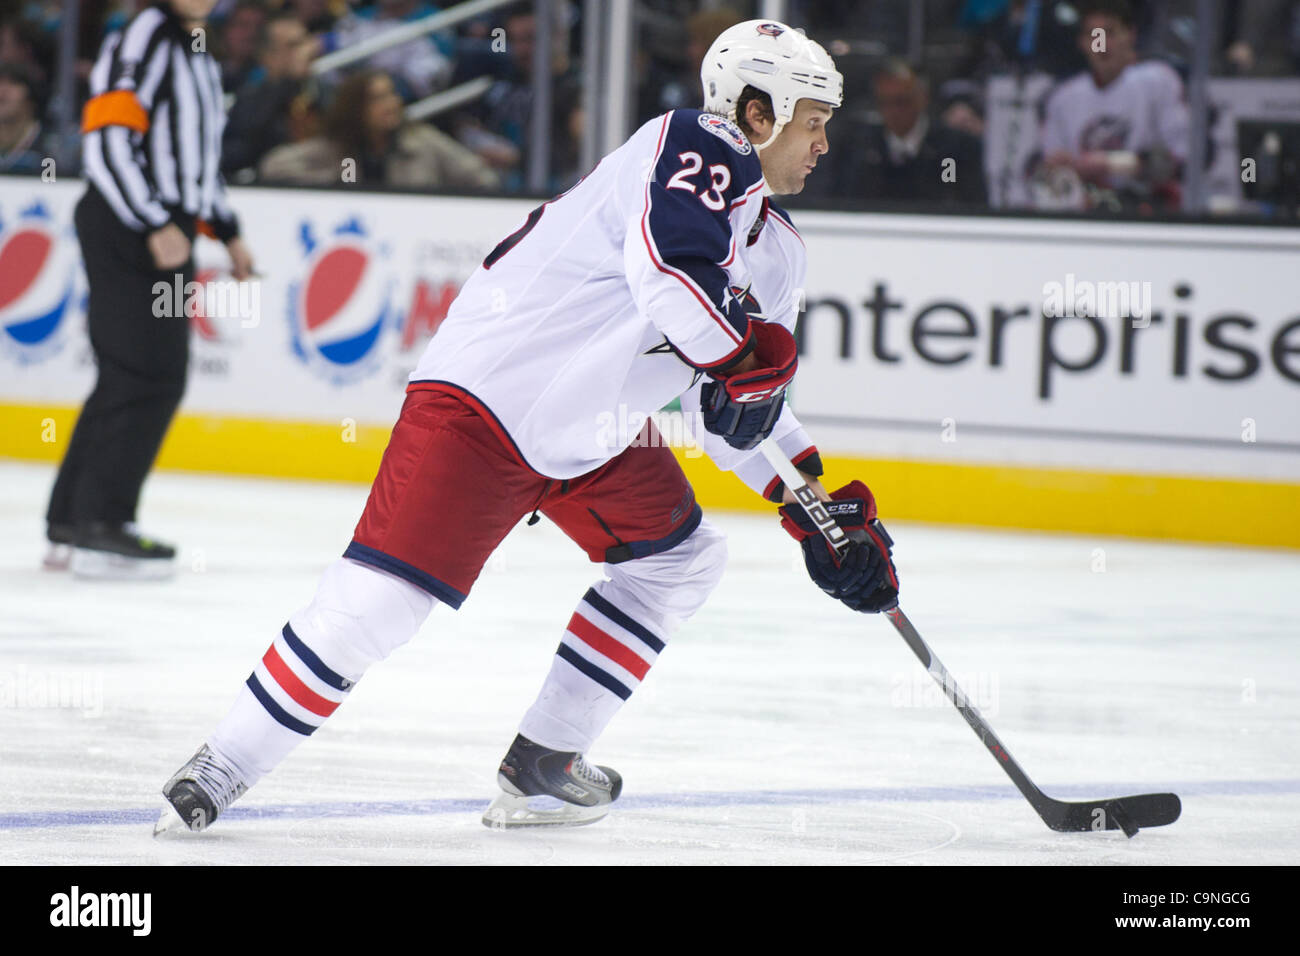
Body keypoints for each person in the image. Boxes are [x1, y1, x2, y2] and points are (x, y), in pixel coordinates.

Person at [155, 19, 899, 835]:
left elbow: (730, 408)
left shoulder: (776, 252)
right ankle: (225, 761)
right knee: (380, 607)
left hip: (593, 431)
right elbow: (672, 277)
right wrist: (743, 358)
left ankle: (544, 763)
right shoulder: (691, 143)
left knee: (680, 563)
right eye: (813, 121)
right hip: (487, 403)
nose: (824, 144)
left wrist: (817, 506)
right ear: (757, 113)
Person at [45, 0, 256, 578]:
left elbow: (198, 163)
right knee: (149, 372)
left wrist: (227, 232)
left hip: (161, 225)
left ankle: (74, 517)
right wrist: (152, 221)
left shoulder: (195, 50)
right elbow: (108, 138)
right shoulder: (145, 35)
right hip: (128, 223)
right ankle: (102, 521)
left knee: (133, 371)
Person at [1037, 0, 1189, 212]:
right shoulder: (1062, 98)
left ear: (1131, 34)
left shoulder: (1159, 81)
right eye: (1094, 35)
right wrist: (1059, 170)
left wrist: (1109, 165)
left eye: (1110, 32)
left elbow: (1179, 160)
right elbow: (1049, 175)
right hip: (1085, 216)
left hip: (1150, 213)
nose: (1102, 44)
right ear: (1081, 42)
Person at [258, 69, 499, 190]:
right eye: (377, 99)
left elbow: (483, 179)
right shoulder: (335, 147)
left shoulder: (422, 141)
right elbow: (273, 167)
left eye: (392, 94)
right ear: (355, 108)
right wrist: (332, 184)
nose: (390, 104)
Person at [221, 10, 319, 178]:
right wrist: (290, 80)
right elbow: (243, 150)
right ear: (268, 56)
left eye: (305, 41)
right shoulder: (251, 99)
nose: (305, 51)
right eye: (294, 45)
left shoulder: (322, 92)